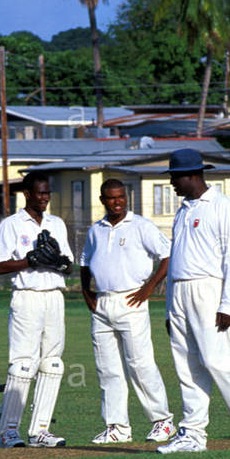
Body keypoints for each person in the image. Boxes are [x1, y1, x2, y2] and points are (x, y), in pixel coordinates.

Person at [158, 148, 230, 453]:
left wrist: (227, 305)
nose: (172, 183)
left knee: (215, 360)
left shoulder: (221, 206)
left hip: (208, 290)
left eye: (175, 177)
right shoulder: (182, 210)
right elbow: (176, 259)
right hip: (179, 292)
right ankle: (192, 433)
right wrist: (169, 308)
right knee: (187, 364)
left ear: (192, 175)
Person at [79, 178, 175, 445]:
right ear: (102, 200)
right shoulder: (95, 230)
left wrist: (150, 288)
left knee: (140, 364)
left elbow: (168, 255)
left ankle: (163, 422)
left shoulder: (141, 226)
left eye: (121, 197)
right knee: (107, 368)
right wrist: (87, 292)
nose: (117, 202)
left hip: (132, 301)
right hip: (102, 303)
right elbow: (85, 260)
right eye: (111, 198)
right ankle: (117, 427)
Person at [0, 171, 75, 448]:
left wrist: (57, 262)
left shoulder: (56, 224)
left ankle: (40, 430)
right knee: (24, 364)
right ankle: (8, 431)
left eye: (48, 193)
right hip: (26, 297)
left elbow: (69, 265)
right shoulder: (12, 225)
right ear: (27, 193)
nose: (45, 198)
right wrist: (29, 260)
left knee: (52, 364)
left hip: (54, 296)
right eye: (40, 193)